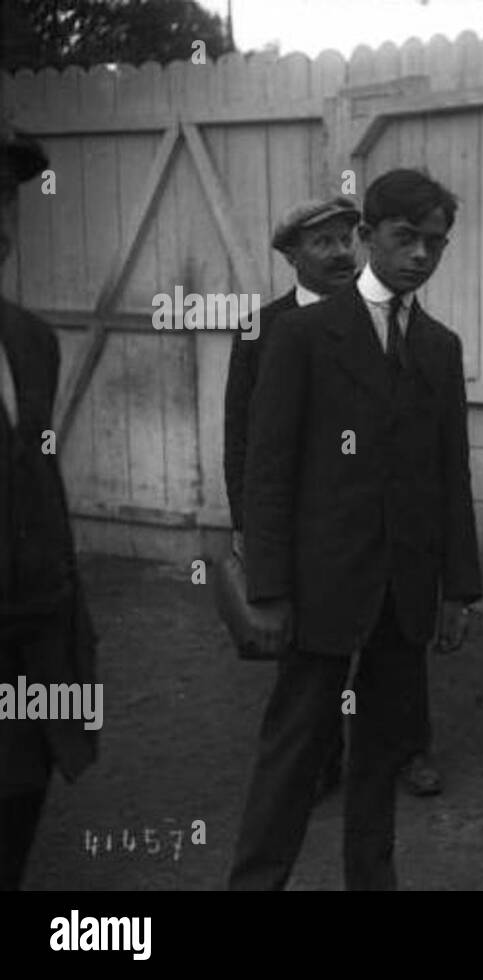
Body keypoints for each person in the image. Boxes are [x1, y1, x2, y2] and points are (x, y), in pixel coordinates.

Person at [228, 168, 481, 890]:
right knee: (293, 756)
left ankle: (372, 881)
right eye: (406, 239)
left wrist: (458, 588)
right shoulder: (303, 335)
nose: (422, 256)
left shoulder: (439, 347)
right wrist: (269, 588)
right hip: (318, 595)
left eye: (436, 243)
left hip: (403, 597)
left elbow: (450, 476)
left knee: (381, 755)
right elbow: (267, 471)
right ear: (368, 237)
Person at [223, 195, 359, 804]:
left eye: (345, 239)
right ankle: (317, 756)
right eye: (322, 243)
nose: (340, 253)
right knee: (306, 650)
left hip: (360, 514)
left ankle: (405, 749)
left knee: (384, 637)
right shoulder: (263, 327)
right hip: (296, 521)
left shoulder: (373, 315)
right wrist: (247, 526)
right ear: (291, 255)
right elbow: (241, 434)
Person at [0, 126, 98, 889]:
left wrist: (71, 626)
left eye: (4, 200)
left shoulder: (31, 343)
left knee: (19, 810)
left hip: (33, 645)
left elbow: (39, 485)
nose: (1, 225)